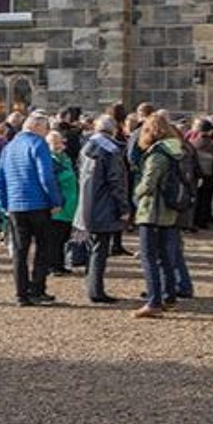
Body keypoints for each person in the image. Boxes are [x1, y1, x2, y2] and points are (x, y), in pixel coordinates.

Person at [0, 111, 63, 306]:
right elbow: (46, 177)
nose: (47, 132)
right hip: (38, 204)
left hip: (16, 205)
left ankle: (21, 294)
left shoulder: (9, 147)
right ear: (37, 127)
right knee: (42, 248)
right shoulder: (38, 144)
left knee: (20, 251)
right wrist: (56, 201)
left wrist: (4, 204)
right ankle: (37, 289)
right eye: (46, 128)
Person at [74, 115, 129, 303]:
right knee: (100, 250)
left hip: (86, 204)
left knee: (93, 247)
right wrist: (123, 207)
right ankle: (96, 291)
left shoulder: (86, 147)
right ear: (113, 130)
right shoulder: (111, 151)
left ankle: (91, 285)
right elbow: (116, 182)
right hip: (103, 205)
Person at [132, 111, 181, 317]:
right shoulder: (174, 150)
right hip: (168, 212)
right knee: (165, 257)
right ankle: (169, 297)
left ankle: (154, 302)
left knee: (149, 257)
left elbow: (149, 184)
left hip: (152, 212)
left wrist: (136, 191)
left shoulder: (157, 154)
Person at [45, 130, 79, 275]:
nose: (59, 145)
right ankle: (52, 265)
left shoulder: (65, 158)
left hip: (70, 204)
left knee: (64, 236)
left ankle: (60, 264)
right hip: (58, 205)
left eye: (60, 142)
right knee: (55, 238)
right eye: (55, 143)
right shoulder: (49, 160)